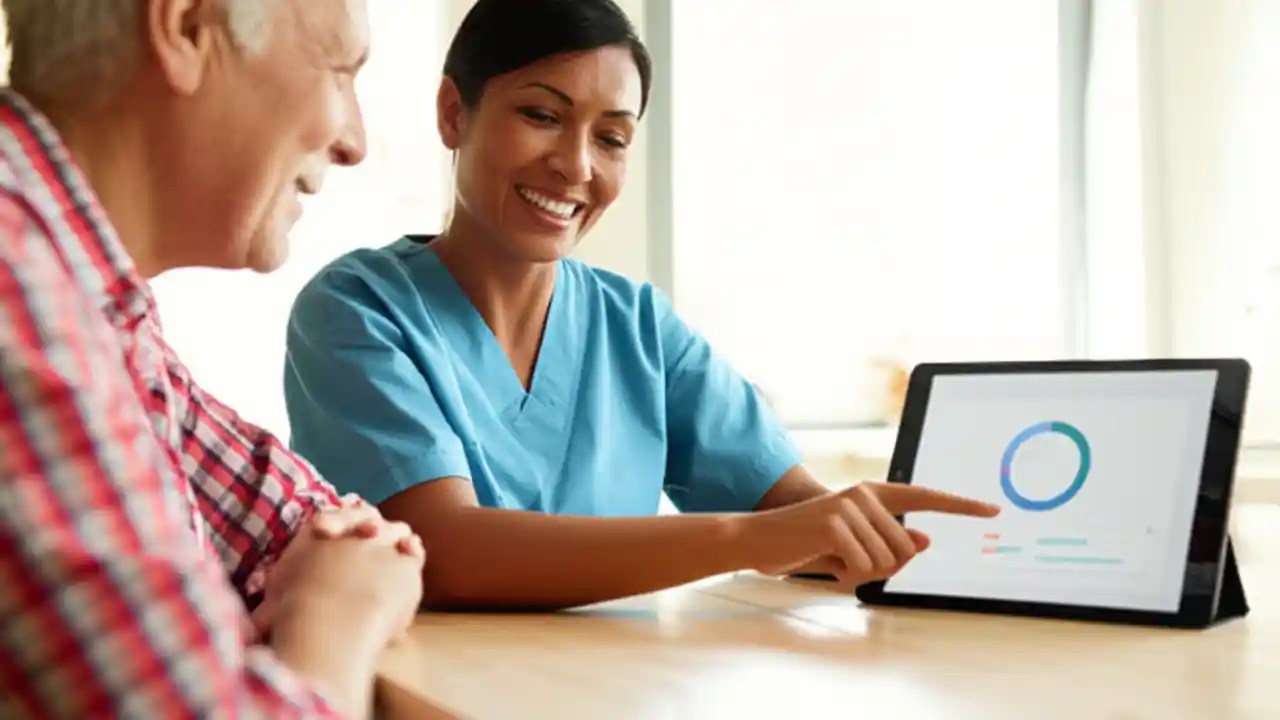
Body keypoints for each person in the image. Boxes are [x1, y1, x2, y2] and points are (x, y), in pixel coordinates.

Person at [284, 0, 1000, 612]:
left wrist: (889, 539)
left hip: (622, 690)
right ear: (453, 112)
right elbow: (443, 551)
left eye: (612, 138)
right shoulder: (356, 312)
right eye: (540, 114)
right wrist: (749, 544)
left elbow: (788, 516)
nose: (576, 165)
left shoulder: (640, 330)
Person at [0, 1, 427, 717]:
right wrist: (333, 616)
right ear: (188, 30)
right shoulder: (18, 287)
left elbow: (311, 522)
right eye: (340, 70)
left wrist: (344, 575)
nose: (354, 140)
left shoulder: (93, 297)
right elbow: (340, 576)